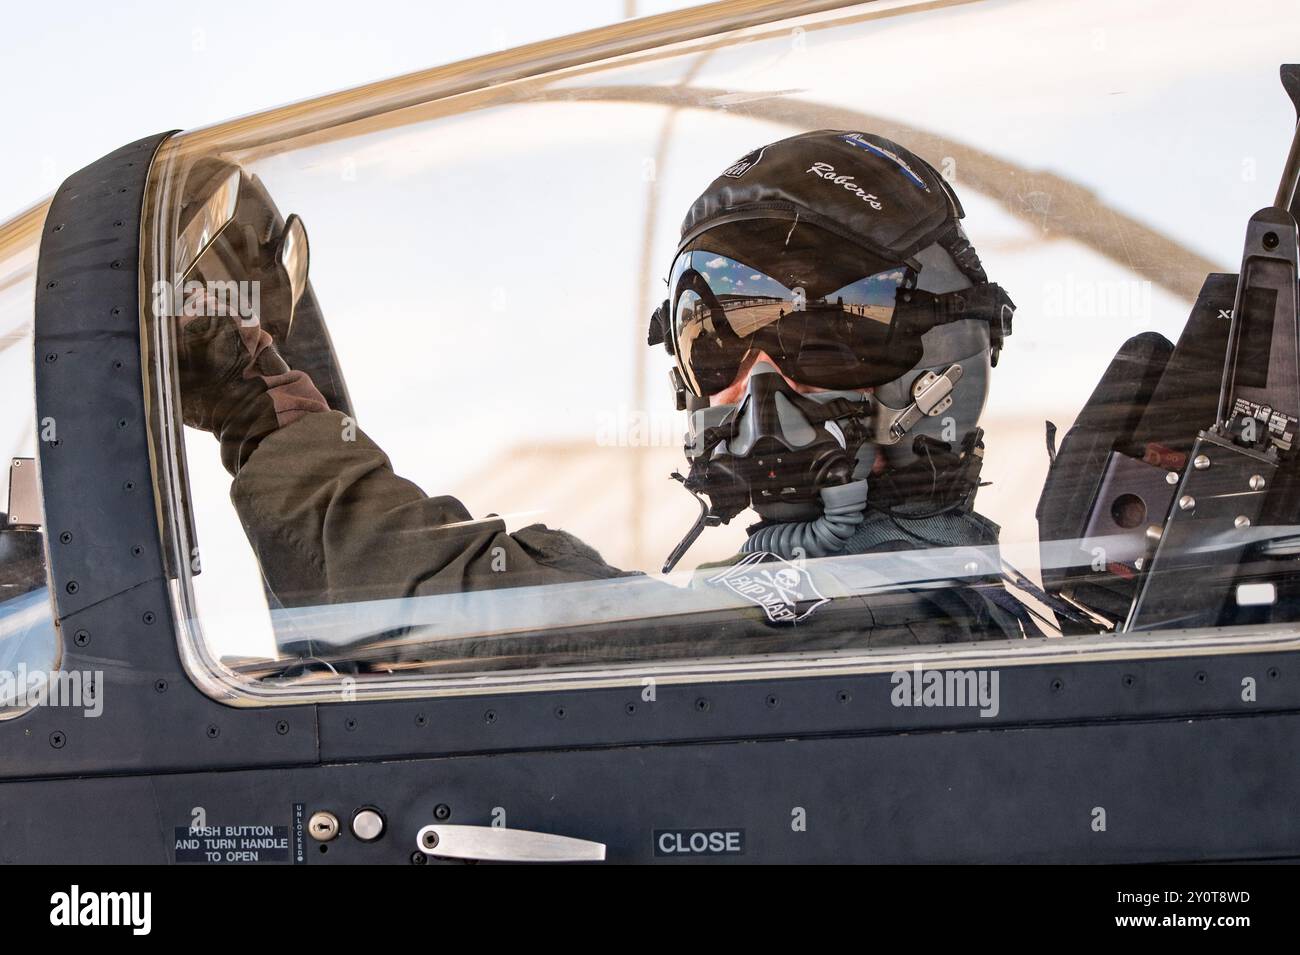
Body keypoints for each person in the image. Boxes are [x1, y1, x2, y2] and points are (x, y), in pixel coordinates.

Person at [178, 130, 1042, 662]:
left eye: (820, 336)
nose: (755, 386)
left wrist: (272, 436)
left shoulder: (890, 622)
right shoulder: (877, 590)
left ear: (941, 364)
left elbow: (515, 639)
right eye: (719, 342)